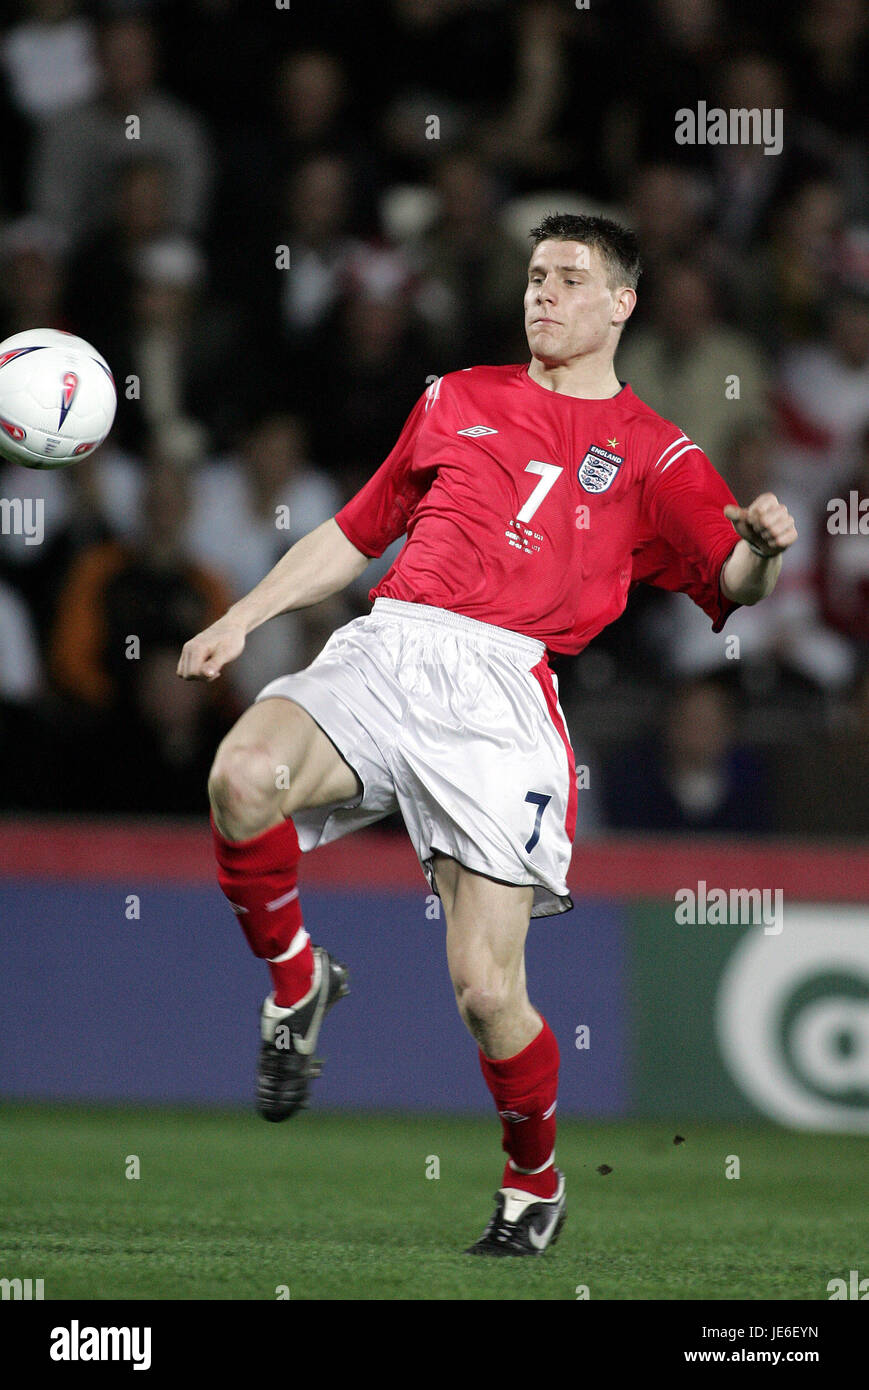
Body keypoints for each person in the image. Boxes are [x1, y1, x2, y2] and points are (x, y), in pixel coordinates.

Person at [177, 213, 797, 1256]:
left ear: (620, 303)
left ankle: (532, 1182)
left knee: (484, 989)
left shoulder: (656, 451)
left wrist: (763, 552)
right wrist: (243, 614)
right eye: (533, 276)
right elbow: (358, 529)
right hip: (393, 643)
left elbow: (726, 581)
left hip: (502, 698)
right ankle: (295, 978)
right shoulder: (455, 395)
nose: (541, 294)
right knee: (241, 775)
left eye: (567, 278)